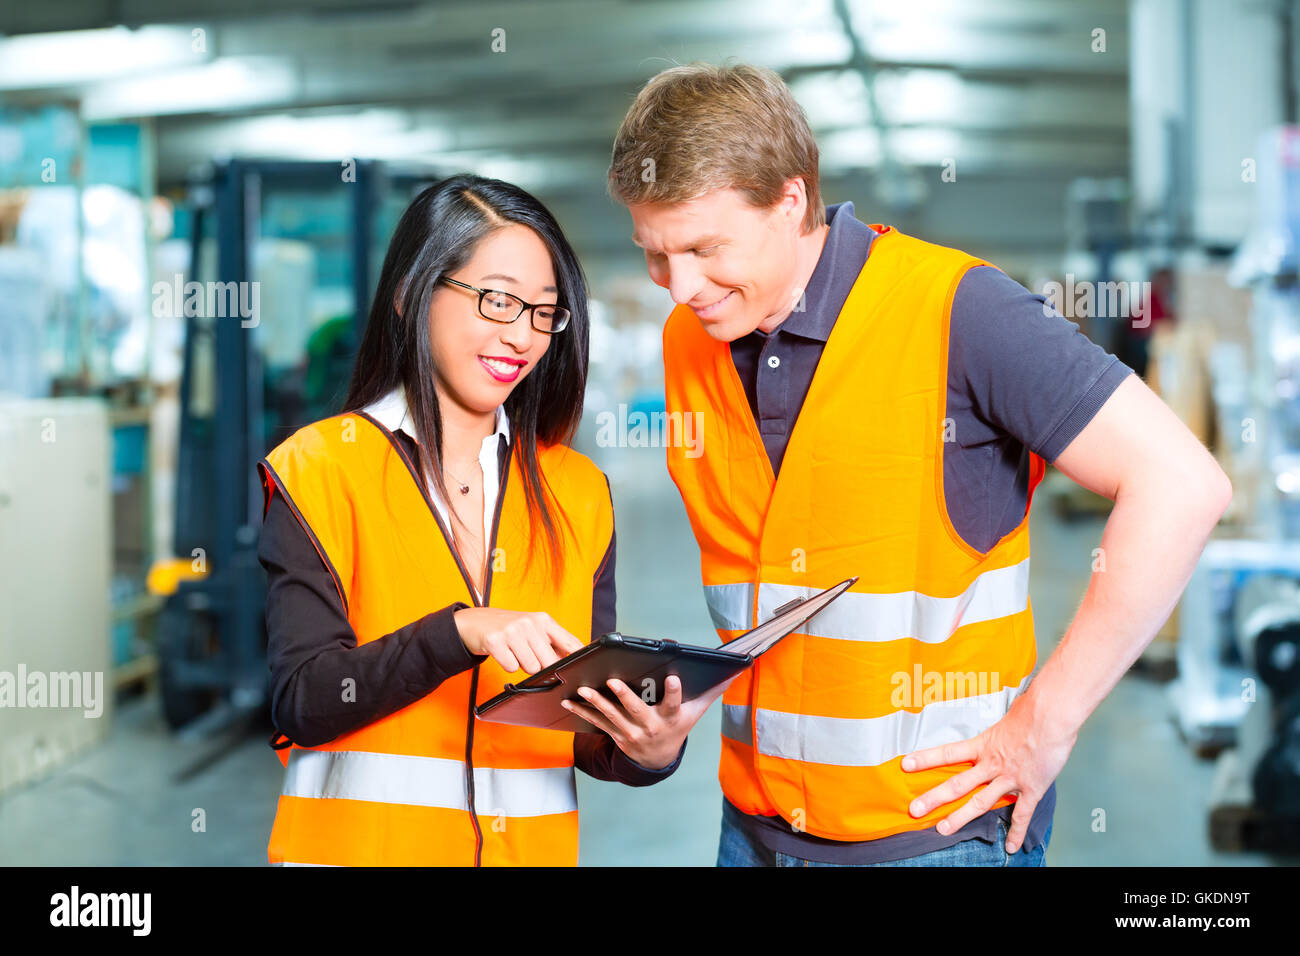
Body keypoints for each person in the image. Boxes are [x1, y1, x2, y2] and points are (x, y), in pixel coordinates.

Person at [606, 63, 1232, 867]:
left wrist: (1044, 724)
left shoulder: (959, 310)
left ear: (791, 201)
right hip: (755, 829)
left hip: (934, 837)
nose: (679, 287)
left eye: (702, 248)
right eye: (656, 256)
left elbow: (1182, 484)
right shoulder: (690, 339)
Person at [256, 174, 716, 866]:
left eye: (543, 312)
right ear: (414, 294)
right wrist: (460, 630)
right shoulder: (320, 470)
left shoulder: (577, 491)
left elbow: (576, 721)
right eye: (498, 300)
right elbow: (304, 701)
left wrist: (645, 747)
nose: (521, 335)